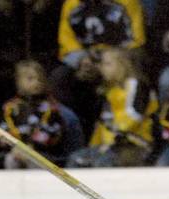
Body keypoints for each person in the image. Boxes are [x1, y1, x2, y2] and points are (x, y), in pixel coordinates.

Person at [51, 0, 146, 138]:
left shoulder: (128, 2)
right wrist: (81, 60)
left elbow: (136, 42)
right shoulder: (71, 3)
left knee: (121, 72)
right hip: (86, 60)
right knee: (60, 77)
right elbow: (67, 43)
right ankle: (73, 141)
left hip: (119, 59)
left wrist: (108, 61)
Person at [67, 47, 158, 168]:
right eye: (102, 64)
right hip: (110, 145)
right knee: (76, 159)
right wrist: (95, 146)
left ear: (122, 65)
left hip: (136, 143)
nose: (102, 68)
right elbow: (103, 122)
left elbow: (134, 116)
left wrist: (113, 141)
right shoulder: (108, 91)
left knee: (103, 163)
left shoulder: (137, 84)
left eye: (107, 64)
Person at [0, 60, 70, 168]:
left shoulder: (51, 107)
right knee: (10, 159)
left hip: (45, 153)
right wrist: (16, 145)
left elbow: (54, 133)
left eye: (40, 79)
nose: (36, 83)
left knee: (32, 158)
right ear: (18, 81)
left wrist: (32, 145)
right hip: (16, 151)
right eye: (30, 79)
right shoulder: (11, 107)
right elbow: (4, 130)